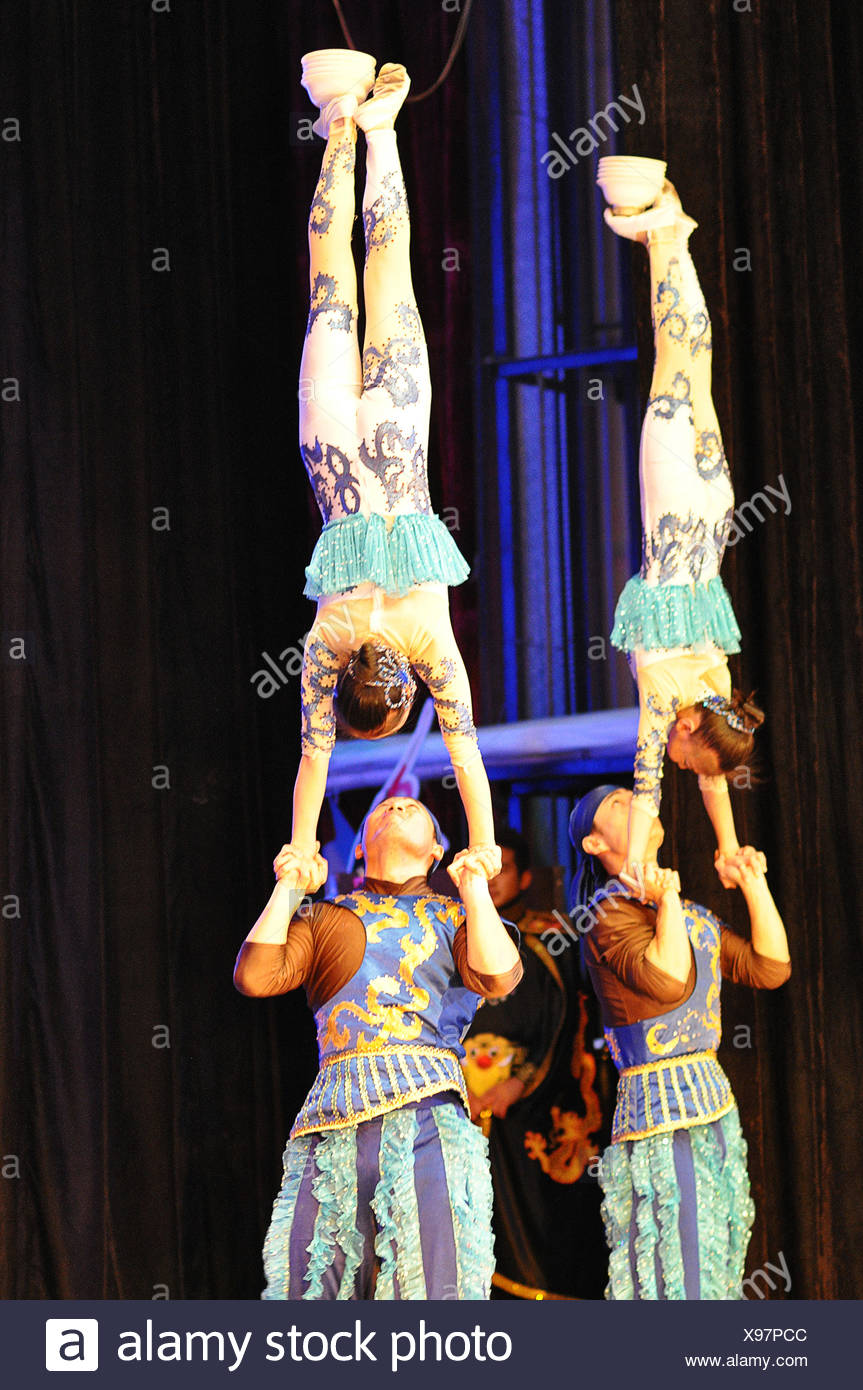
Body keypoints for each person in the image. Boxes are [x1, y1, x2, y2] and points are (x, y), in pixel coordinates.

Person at [289, 51, 499, 890]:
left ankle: (378, 134)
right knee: (331, 277)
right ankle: (342, 124)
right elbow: (311, 766)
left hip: (396, 430)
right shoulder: (324, 648)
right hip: (332, 437)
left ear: (404, 689)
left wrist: (480, 847)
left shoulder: (429, 642)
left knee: (388, 263)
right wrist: (301, 843)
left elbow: (468, 751)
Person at [233, 796, 522, 1300]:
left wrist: (475, 888)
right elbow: (255, 977)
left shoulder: (456, 916)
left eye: (413, 806)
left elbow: (500, 977)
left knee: (431, 1299)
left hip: (429, 1128)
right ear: (361, 846)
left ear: (437, 850)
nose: (397, 806)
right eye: (385, 807)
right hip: (332, 1136)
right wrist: (289, 886)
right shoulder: (326, 916)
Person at [602, 179, 763, 892]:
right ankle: (668, 233)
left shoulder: (716, 689)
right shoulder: (667, 699)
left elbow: (713, 778)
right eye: (684, 757)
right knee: (675, 363)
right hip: (672, 506)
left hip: (713, 511)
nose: (675, 760)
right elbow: (646, 788)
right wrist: (637, 863)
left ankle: (669, 237)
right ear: (690, 729)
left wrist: (727, 847)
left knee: (692, 370)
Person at [569, 784, 790, 1300]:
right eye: (618, 805)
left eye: (637, 796)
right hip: (659, 1110)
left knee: (721, 1253)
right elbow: (667, 982)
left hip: (713, 1103)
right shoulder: (606, 913)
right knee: (677, 1263)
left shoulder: (687, 912)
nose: (638, 803)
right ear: (594, 844)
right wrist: (665, 899)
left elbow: (770, 967)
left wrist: (752, 883)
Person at [462, 829, 609, 1300]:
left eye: (503, 868)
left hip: (527, 1106)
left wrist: (518, 1085)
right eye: (486, 870)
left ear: (524, 877)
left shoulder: (549, 937)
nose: (494, 879)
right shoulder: (450, 933)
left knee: (531, 1226)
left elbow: (566, 1023)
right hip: (460, 1104)